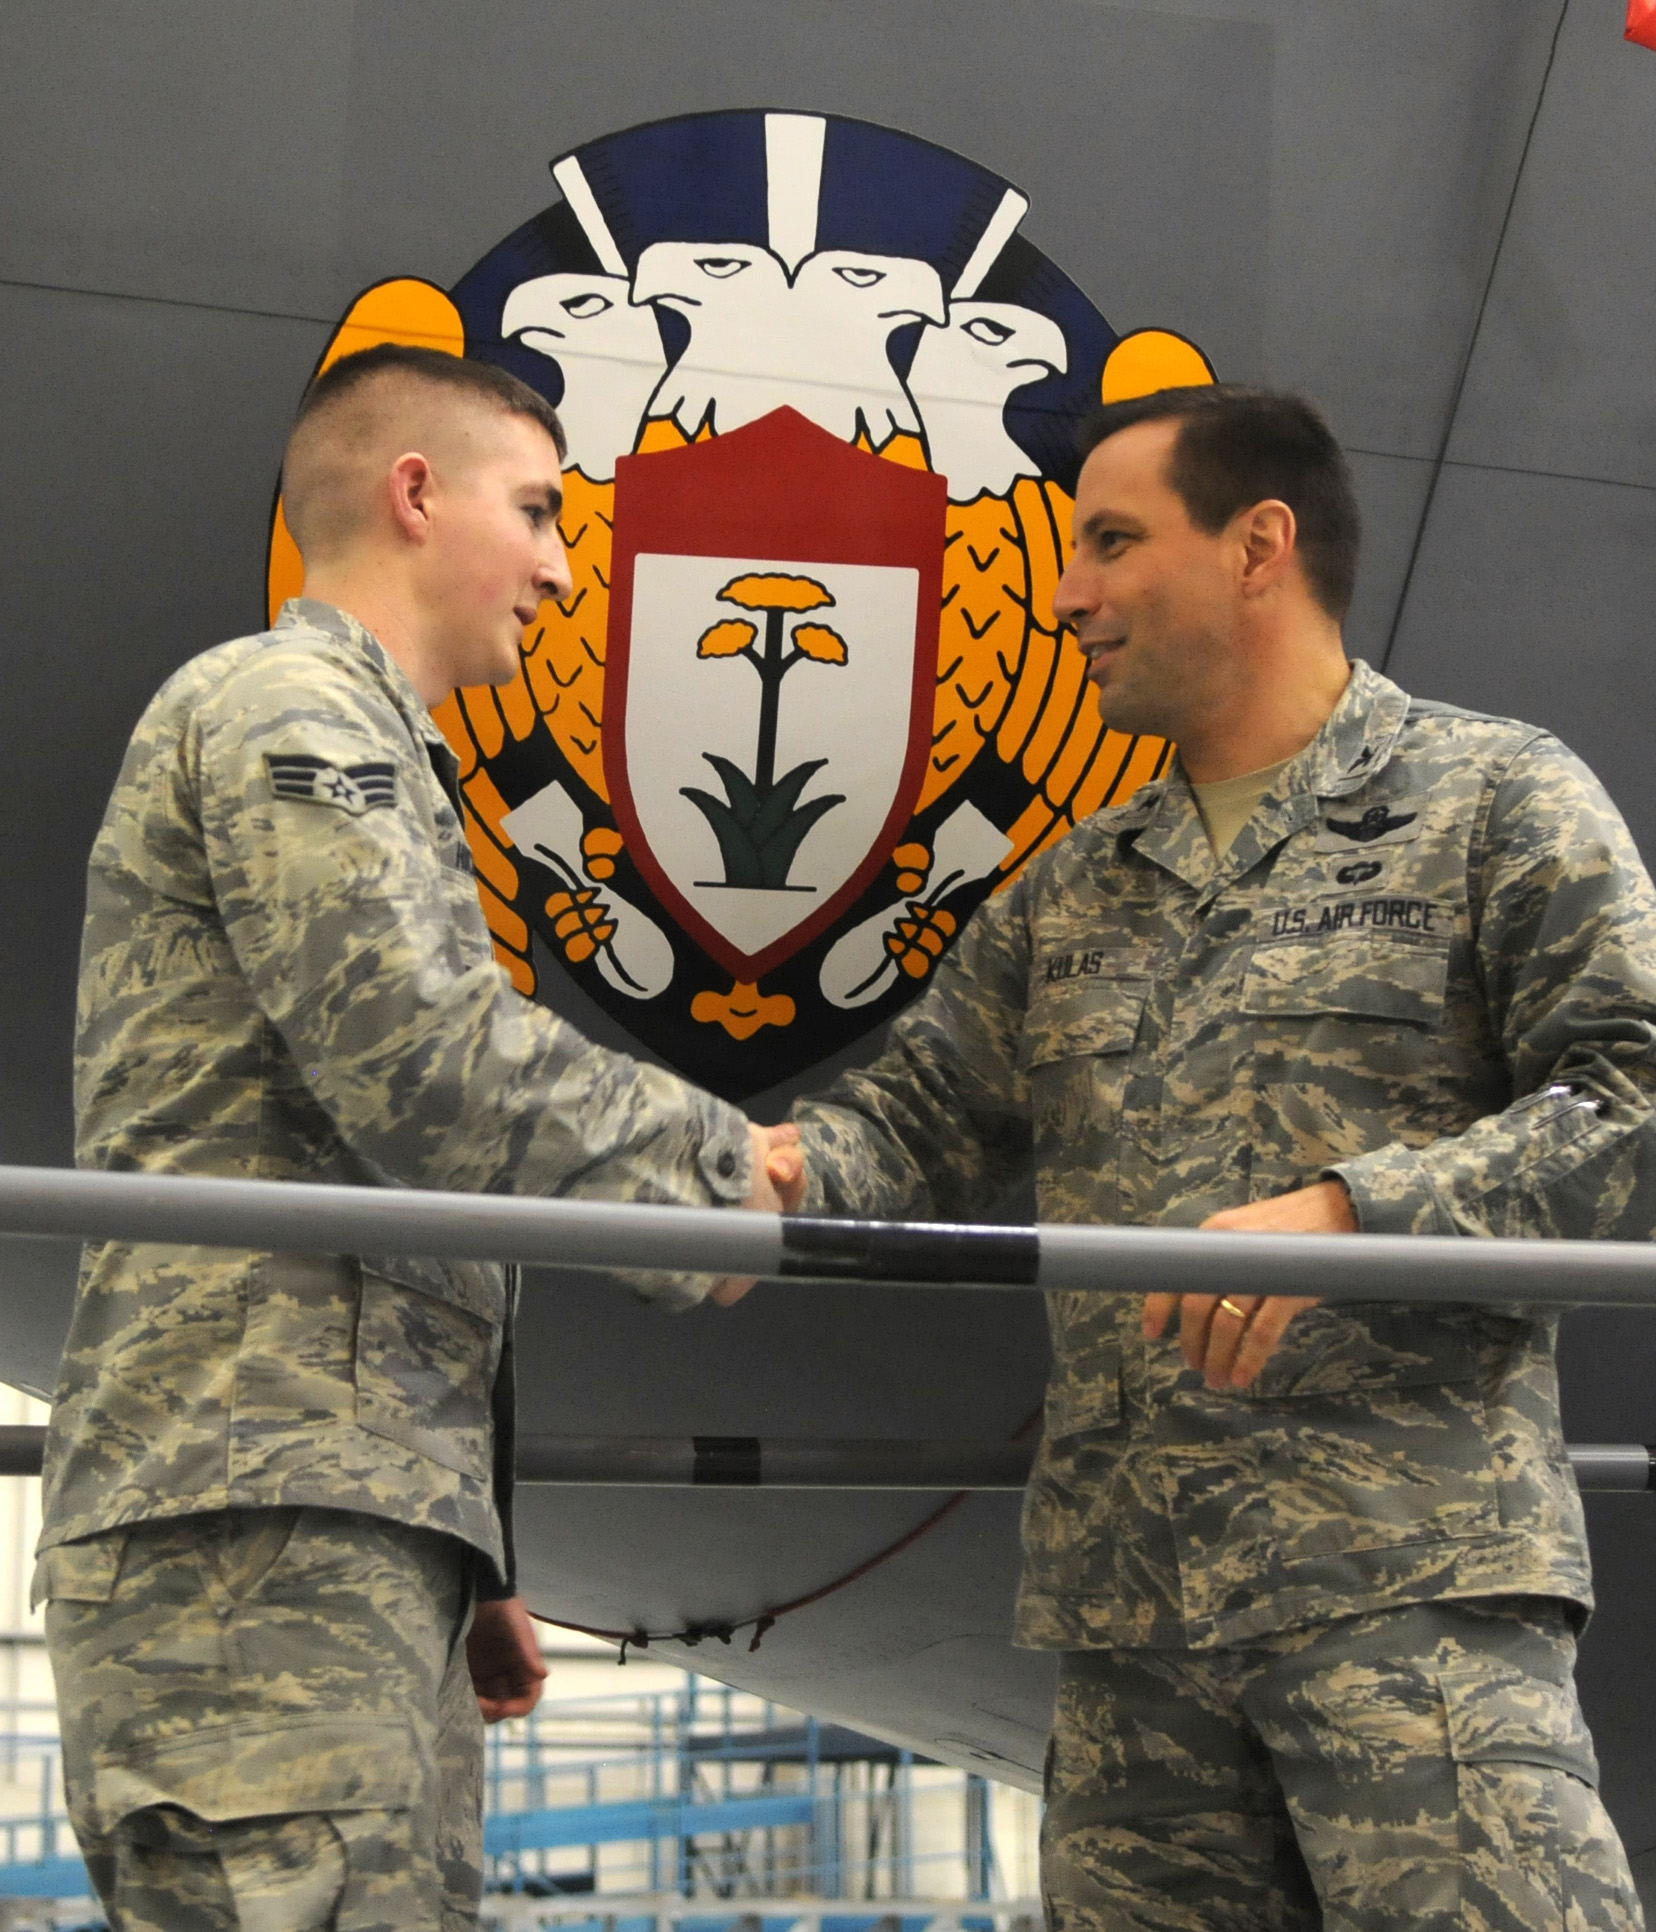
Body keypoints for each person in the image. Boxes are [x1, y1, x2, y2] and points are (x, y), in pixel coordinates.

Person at [789, 385, 1652, 1928]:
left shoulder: (1492, 803)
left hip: (1407, 1600)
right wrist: (741, 1179)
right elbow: (906, 1131)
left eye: (1114, 543)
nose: (1070, 599)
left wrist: (1356, 1216)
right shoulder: (1077, 891)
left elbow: (1637, 1101)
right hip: (1134, 1645)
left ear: (1260, 547)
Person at [35, 343, 801, 1932]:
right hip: (262, 1533)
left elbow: (361, 1152)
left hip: (337, 1520)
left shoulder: (363, 739)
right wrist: (723, 1173)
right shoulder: (289, 708)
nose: (556, 560)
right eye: (534, 510)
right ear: (413, 495)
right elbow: (419, 1060)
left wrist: (474, 1548)